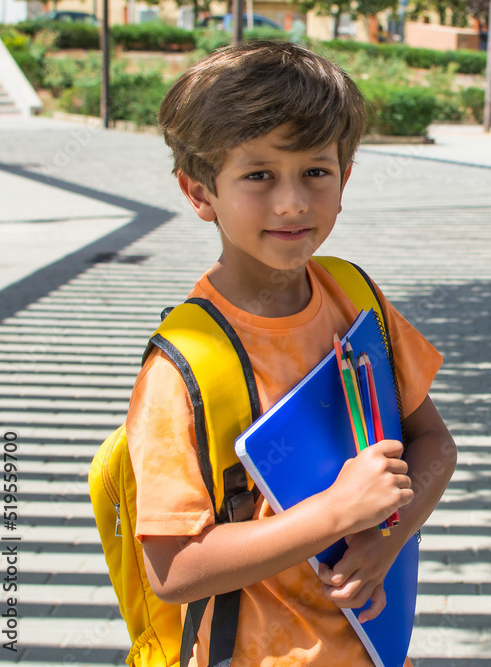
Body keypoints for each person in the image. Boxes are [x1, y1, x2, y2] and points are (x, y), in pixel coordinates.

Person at [127, 41, 457, 666]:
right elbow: (173, 571)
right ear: (200, 192)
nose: (292, 202)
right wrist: (335, 511)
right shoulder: (186, 365)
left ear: (345, 176)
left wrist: (386, 541)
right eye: (258, 175)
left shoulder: (356, 297)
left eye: (315, 171)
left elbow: (433, 443)